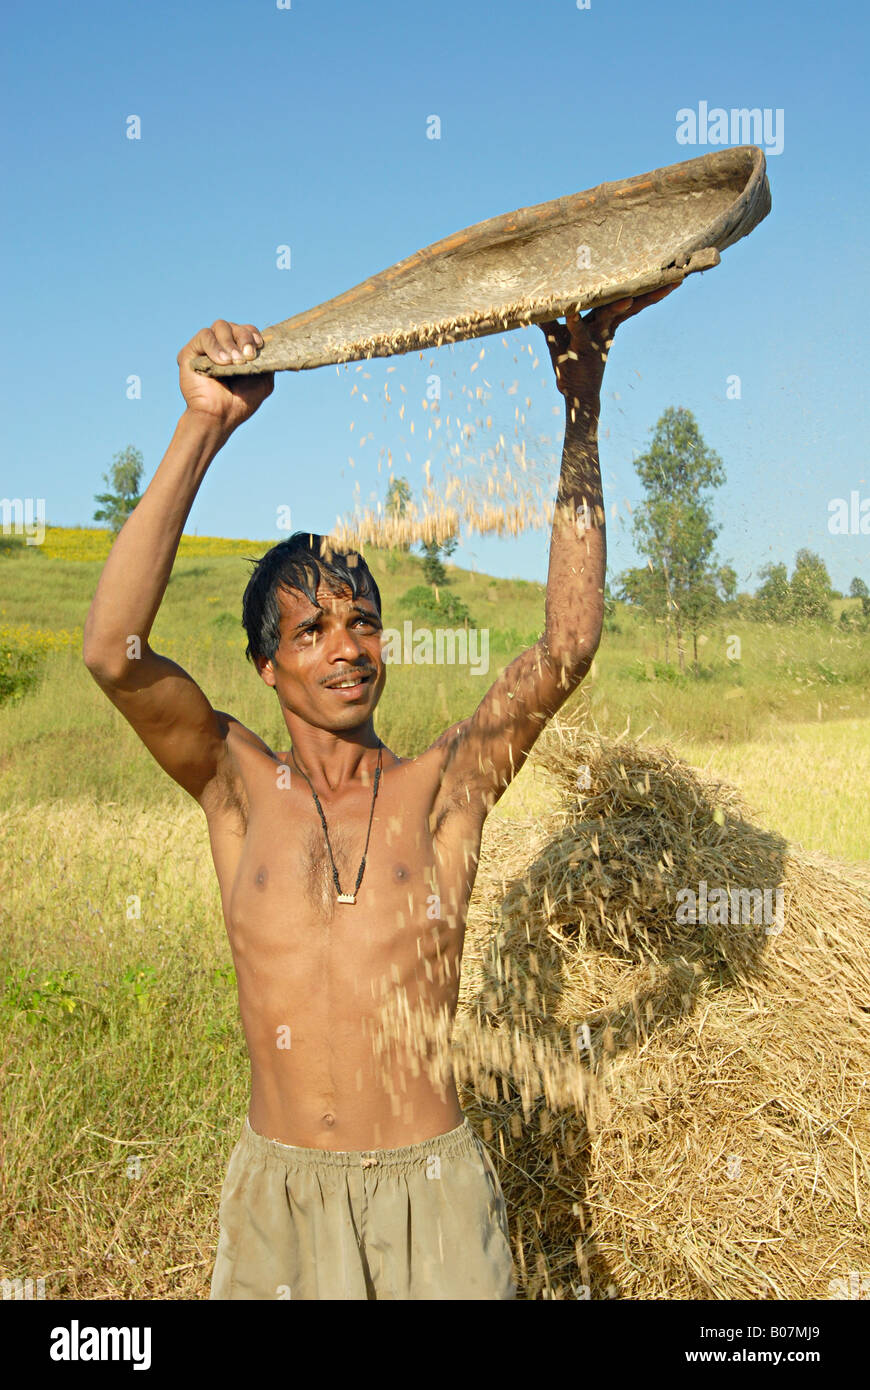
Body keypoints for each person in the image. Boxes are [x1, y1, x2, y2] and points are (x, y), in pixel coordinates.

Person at [82, 285, 678, 1301]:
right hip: (280, 1198)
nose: (345, 647)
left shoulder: (441, 790)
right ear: (268, 668)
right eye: (309, 631)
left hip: (430, 1198)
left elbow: (565, 646)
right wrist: (202, 424)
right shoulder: (237, 788)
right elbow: (114, 653)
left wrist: (581, 410)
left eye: (361, 622)